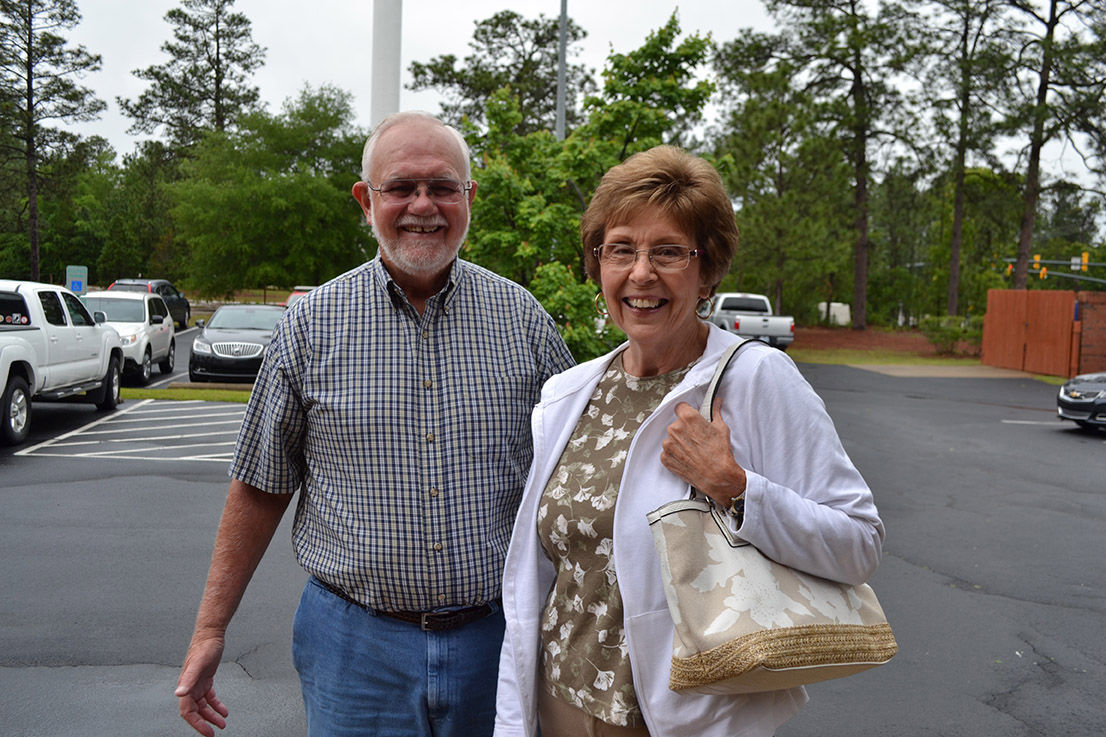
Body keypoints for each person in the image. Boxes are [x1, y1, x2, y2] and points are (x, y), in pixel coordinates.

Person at [175, 110, 574, 737]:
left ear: (469, 197)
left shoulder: (522, 320)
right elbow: (259, 484)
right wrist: (210, 629)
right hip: (351, 650)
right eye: (401, 188)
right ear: (366, 201)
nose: (424, 206)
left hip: (498, 640)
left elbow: (576, 477)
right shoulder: (310, 328)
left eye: (443, 187)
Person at [494, 145, 885, 737]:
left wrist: (736, 487)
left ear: (708, 272)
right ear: (598, 264)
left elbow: (859, 542)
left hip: (685, 716)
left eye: (669, 252)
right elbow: (542, 579)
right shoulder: (569, 394)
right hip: (559, 707)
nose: (641, 272)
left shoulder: (755, 378)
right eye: (620, 249)